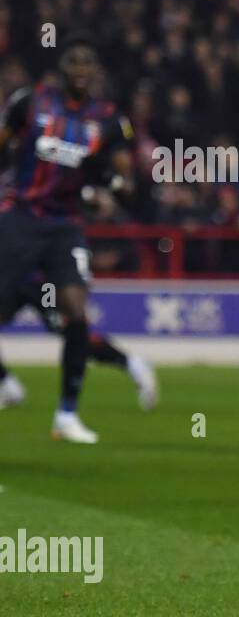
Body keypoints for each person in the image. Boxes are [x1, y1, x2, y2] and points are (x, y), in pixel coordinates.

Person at [0, 34, 135, 443]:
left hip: (65, 224)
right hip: (21, 217)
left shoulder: (109, 120)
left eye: (87, 62)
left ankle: (67, 414)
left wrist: (111, 184)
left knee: (76, 311)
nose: (80, 69)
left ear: (95, 72)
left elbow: (124, 179)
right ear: (62, 69)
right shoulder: (31, 102)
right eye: (73, 62)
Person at [0, 273, 157, 411]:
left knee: (71, 331)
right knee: (70, 332)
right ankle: (8, 385)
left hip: (43, 283)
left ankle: (131, 363)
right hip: (13, 278)